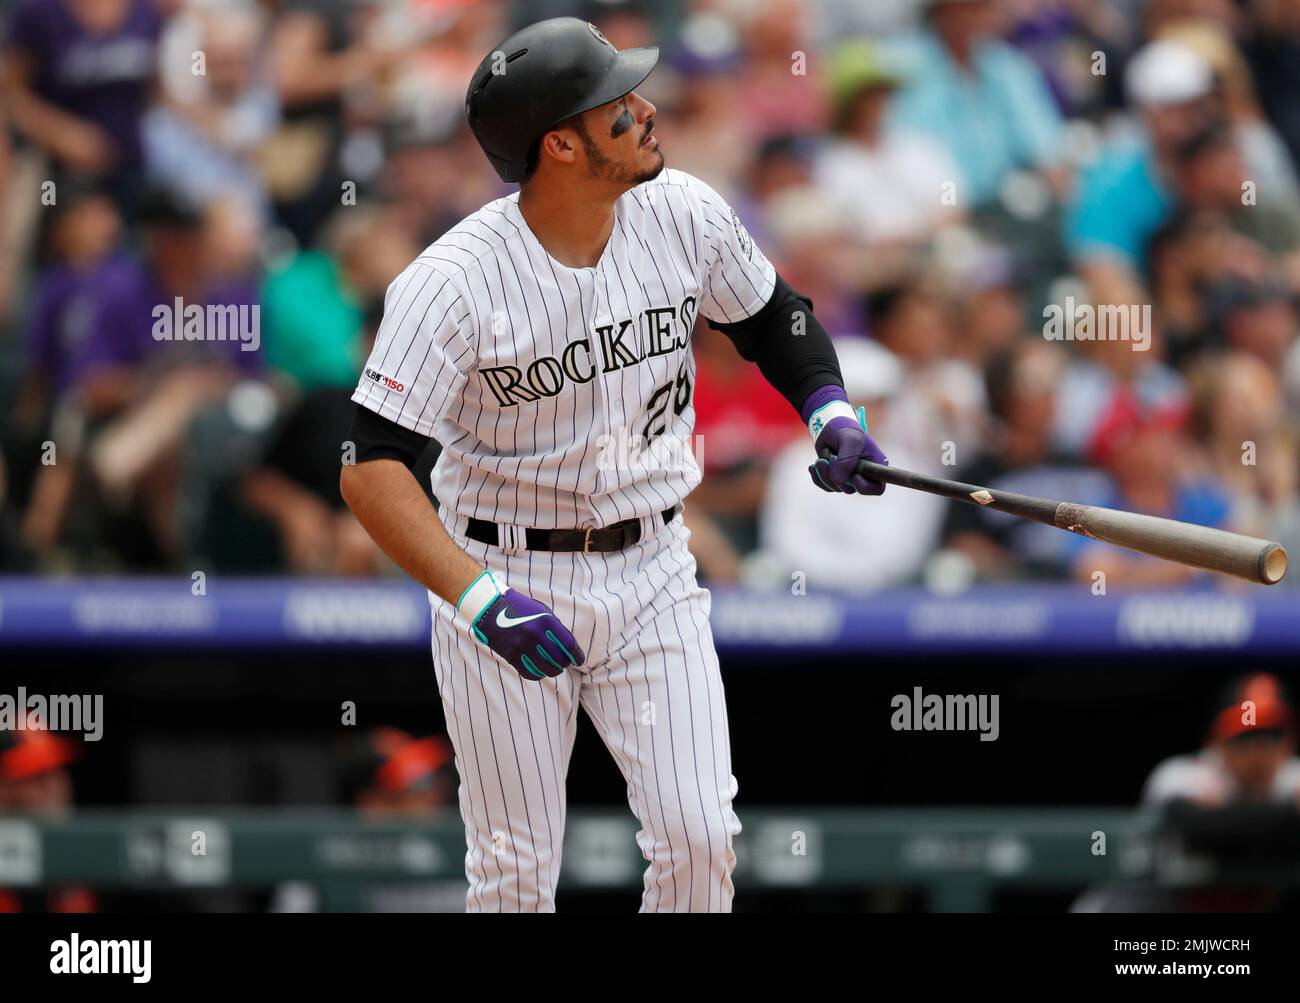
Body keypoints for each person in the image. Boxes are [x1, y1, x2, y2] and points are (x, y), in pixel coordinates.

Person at [339, 17, 889, 913]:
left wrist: (826, 405)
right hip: (503, 569)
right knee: (516, 872)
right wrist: (478, 598)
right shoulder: (451, 282)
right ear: (558, 144)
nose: (645, 110)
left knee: (701, 839)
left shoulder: (682, 210)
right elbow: (370, 466)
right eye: (616, 108)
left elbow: (773, 317)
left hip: (653, 567)